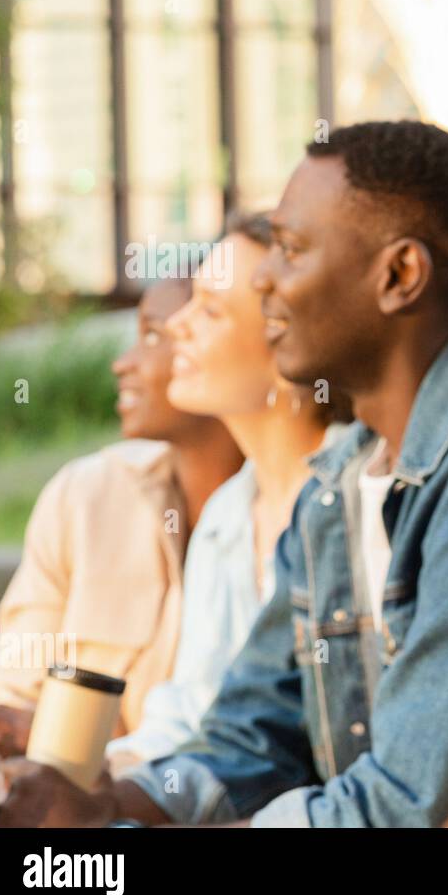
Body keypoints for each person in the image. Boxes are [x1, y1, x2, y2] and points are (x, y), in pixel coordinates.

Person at [0, 120, 448, 828]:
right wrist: (98, 805)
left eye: (290, 250)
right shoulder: (340, 481)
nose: (261, 279)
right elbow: (248, 738)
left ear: (398, 277)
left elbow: (406, 805)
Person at [104, 211, 351, 773]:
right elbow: (190, 712)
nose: (178, 327)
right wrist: (85, 782)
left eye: (210, 309)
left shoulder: (364, 501)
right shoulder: (227, 517)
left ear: (287, 341)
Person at [0, 278, 242, 756]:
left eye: (155, 335)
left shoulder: (290, 514)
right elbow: (12, 696)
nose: (124, 363)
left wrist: (81, 742)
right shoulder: (86, 495)